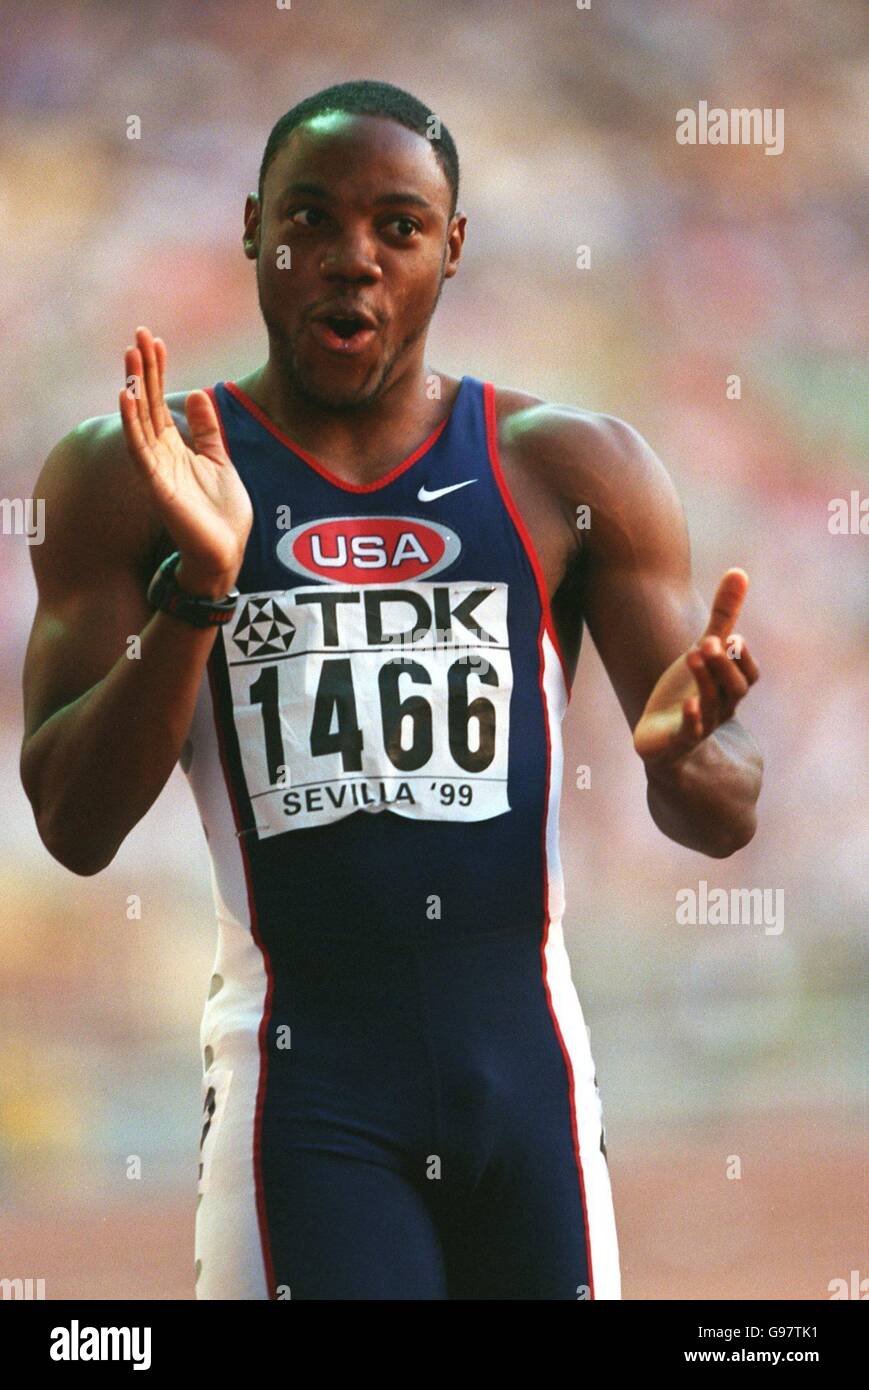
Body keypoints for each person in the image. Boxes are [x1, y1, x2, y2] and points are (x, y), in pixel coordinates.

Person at [20, 80, 762, 1300]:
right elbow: (74, 825)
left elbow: (722, 815)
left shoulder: (569, 468)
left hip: (526, 1081)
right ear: (252, 227)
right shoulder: (136, 474)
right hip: (303, 1093)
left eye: (397, 228)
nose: (348, 261)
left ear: (451, 247)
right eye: (309, 221)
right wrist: (197, 592)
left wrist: (680, 755)